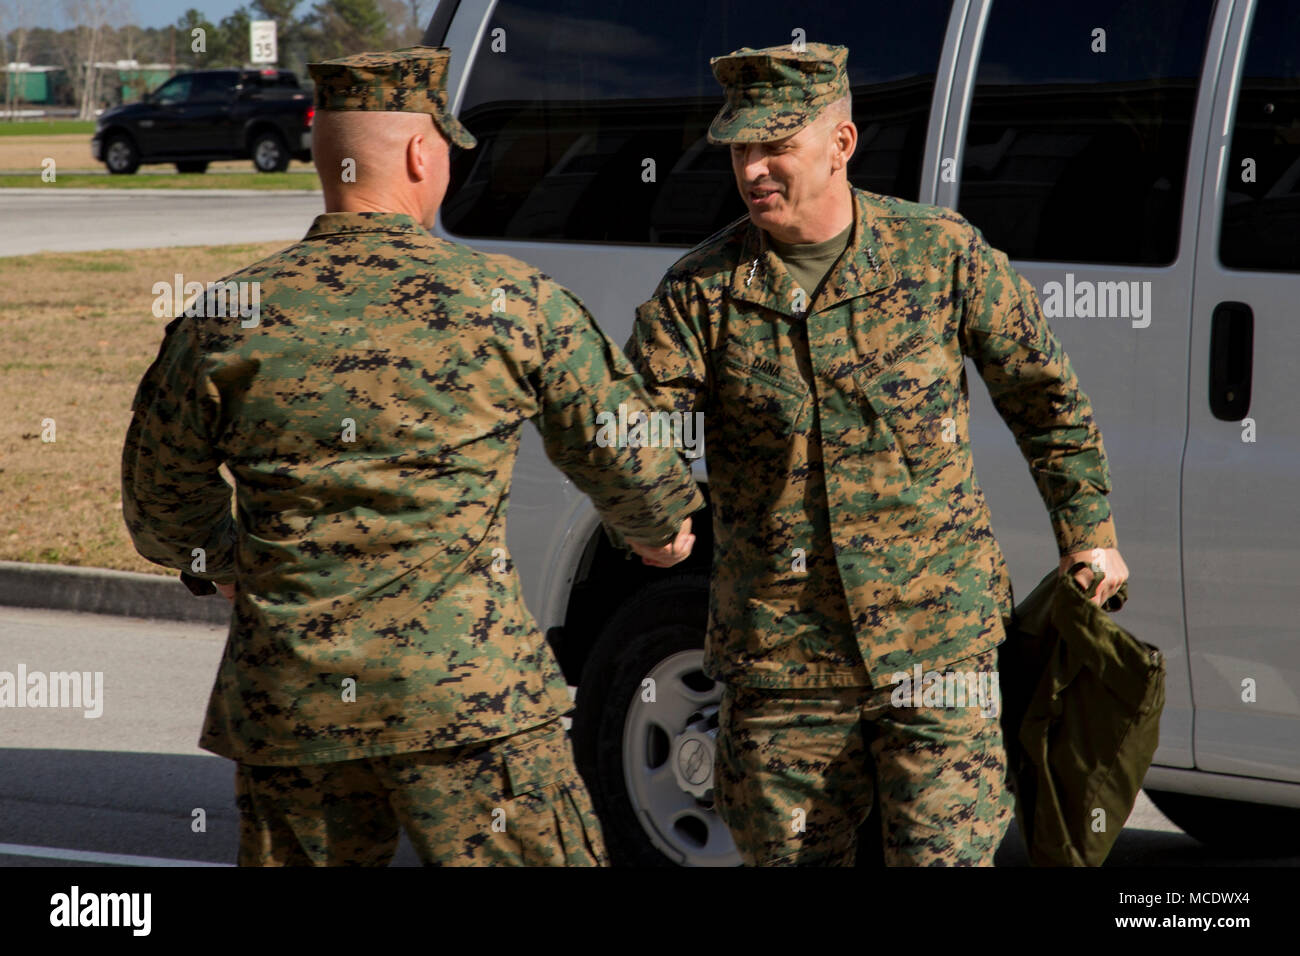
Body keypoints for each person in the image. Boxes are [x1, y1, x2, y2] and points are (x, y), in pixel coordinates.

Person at [121, 46, 701, 867]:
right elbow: (632, 458)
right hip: (470, 699)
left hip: (295, 705)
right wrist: (660, 531)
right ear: (424, 155)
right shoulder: (514, 302)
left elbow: (157, 506)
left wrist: (224, 557)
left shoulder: (223, 316)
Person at [624, 42, 1130, 866]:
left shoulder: (941, 256)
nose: (752, 169)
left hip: (940, 646)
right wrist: (649, 510)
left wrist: (1089, 532)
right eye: (740, 148)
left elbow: (1045, 399)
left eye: (775, 146)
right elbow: (635, 423)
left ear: (841, 145)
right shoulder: (701, 292)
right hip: (783, 660)